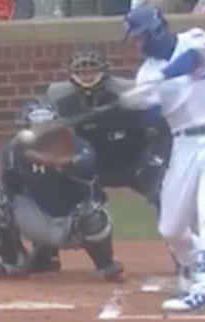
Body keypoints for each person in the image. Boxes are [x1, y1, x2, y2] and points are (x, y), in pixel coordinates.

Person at [122, 6, 205, 312]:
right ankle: (190, 262)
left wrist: (162, 78)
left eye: (141, 37)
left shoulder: (194, 39)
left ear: (157, 30)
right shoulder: (145, 74)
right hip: (185, 144)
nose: (139, 44)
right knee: (171, 228)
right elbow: (153, 119)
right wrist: (135, 105)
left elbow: (195, 62)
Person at [44, 47, 172, 272]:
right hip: (88, 166)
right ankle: (44, 254)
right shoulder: (59, 101)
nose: (87, 76)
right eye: (81, 72)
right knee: (51, 187)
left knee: (169, 192)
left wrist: (157, 159)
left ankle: (184, 256)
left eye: (91, 70)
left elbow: (161, 128)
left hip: (133, 161)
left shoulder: (125, 95)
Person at [0, 97, 127, 283]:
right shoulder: (14, 151)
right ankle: (14, 262)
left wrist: (56, 161)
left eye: (45, 127)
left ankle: (107, 265)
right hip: (37, 216)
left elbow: (86, 170)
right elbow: (12, 189)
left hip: (73, 222)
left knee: (91, 212)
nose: (40, 133)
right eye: (35, 127)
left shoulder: (79, 147)